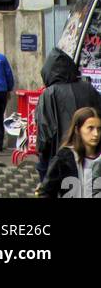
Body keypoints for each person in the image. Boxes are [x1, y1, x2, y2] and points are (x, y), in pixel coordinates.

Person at [35, 47, 101, 181]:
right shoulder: (88, 88)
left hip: (61, 156)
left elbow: (44, 133)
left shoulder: (49, 94)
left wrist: (42, 155)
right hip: (90, 152)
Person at [38, 107, 101, 199]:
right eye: (90, 128)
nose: (96, 134)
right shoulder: (65, 158)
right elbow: (45, 192)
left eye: (99, 129)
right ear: (77, 129)